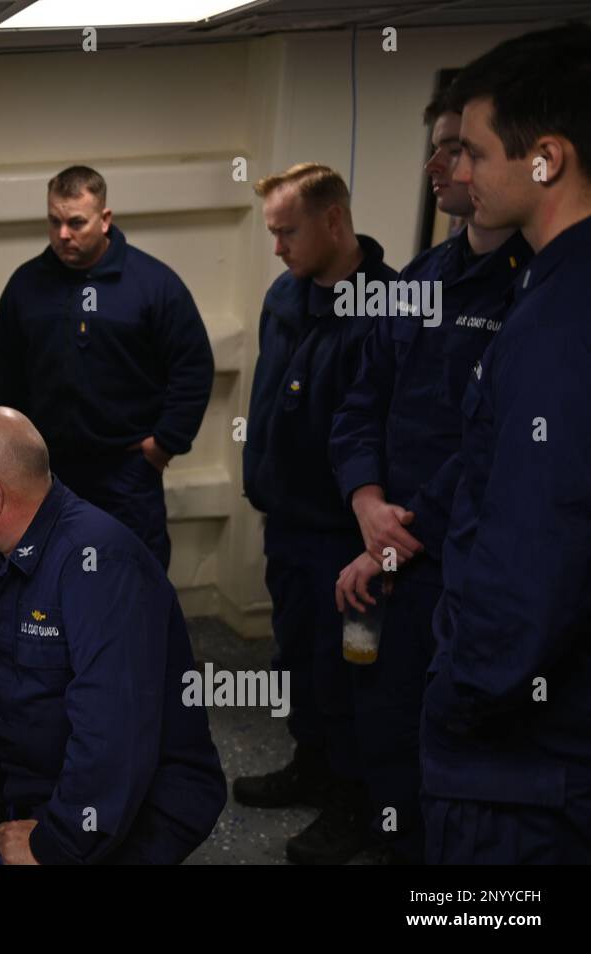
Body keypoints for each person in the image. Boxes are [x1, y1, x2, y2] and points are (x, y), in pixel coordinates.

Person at [0, 407, 226, 864]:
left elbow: (113, 740)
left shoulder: (98, 565)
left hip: (134, 795)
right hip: (25, 751)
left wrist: (51, 847)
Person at [329, 89, 532, 864]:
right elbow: (360, 403)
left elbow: (493, 445)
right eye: (442, 146)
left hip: (455, 558)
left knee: (453, 748)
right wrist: (367, 500)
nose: (436, 164)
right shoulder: (424, 274)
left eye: (458, 147)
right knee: (385, 721)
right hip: (387, 546)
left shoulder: (534, 287)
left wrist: (392, 533)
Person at [418, 23, 591, 864]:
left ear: (546, 158)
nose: (460, 173)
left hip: (527, 761)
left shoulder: (559, 322)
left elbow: (538, 538)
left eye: (477, 154)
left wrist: (462, 696)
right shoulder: (544, 286)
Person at [234, 163, 397, 864]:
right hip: (290, 523)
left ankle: (357, 803)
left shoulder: (388, 309)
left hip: (347, 536)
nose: (278, 248)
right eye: (273, 232)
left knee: (354, 669)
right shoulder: (286, 293)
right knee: (296, 654)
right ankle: (312, 764)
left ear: (334, 220)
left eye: (287, 231)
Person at [0, 166, 214, 570]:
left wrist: (162, 446)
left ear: (105, 219)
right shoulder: (25, 285)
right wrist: (15, 453)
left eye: (76, 223)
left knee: (134, 578)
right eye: (54, 221)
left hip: (127, 472)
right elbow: (4, 374)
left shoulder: (153, 284)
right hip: (47, 472)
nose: (63, 235)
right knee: (51, 577)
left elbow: (193, 368)